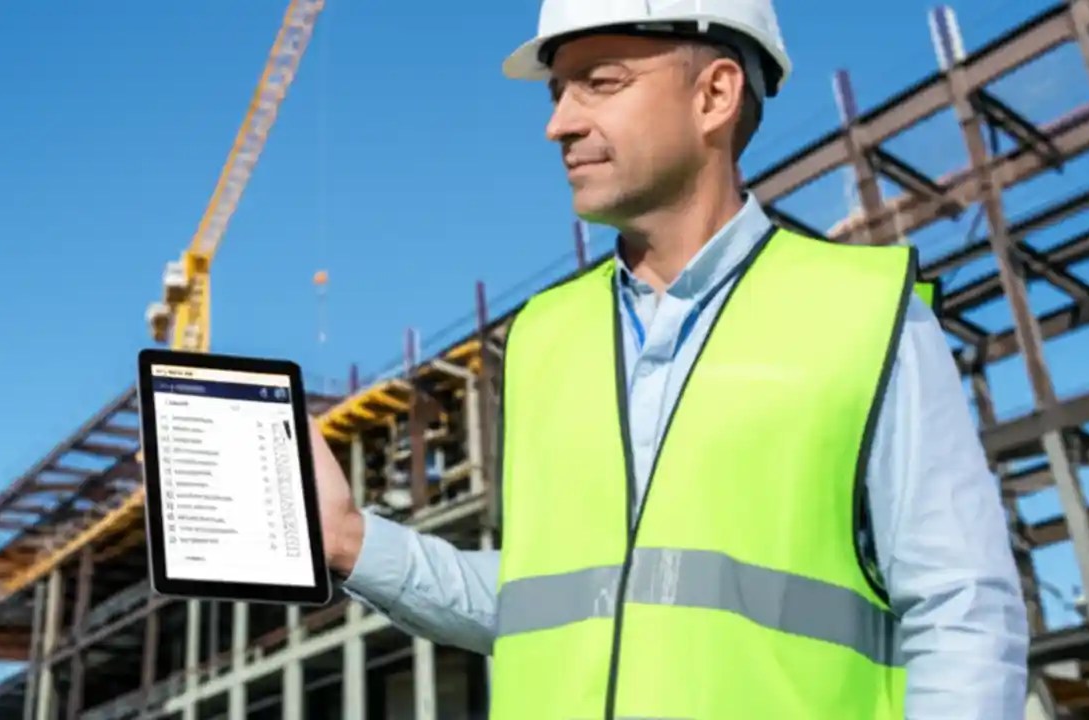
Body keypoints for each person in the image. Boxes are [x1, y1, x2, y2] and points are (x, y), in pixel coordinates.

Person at [308, 0, 1029, 717]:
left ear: (714, 94)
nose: (558, 122)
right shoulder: (541, 338)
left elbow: (961, 613)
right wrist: (350, 540)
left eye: (601, 80)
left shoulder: (864, 315)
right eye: (559, 91)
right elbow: (540, 602)